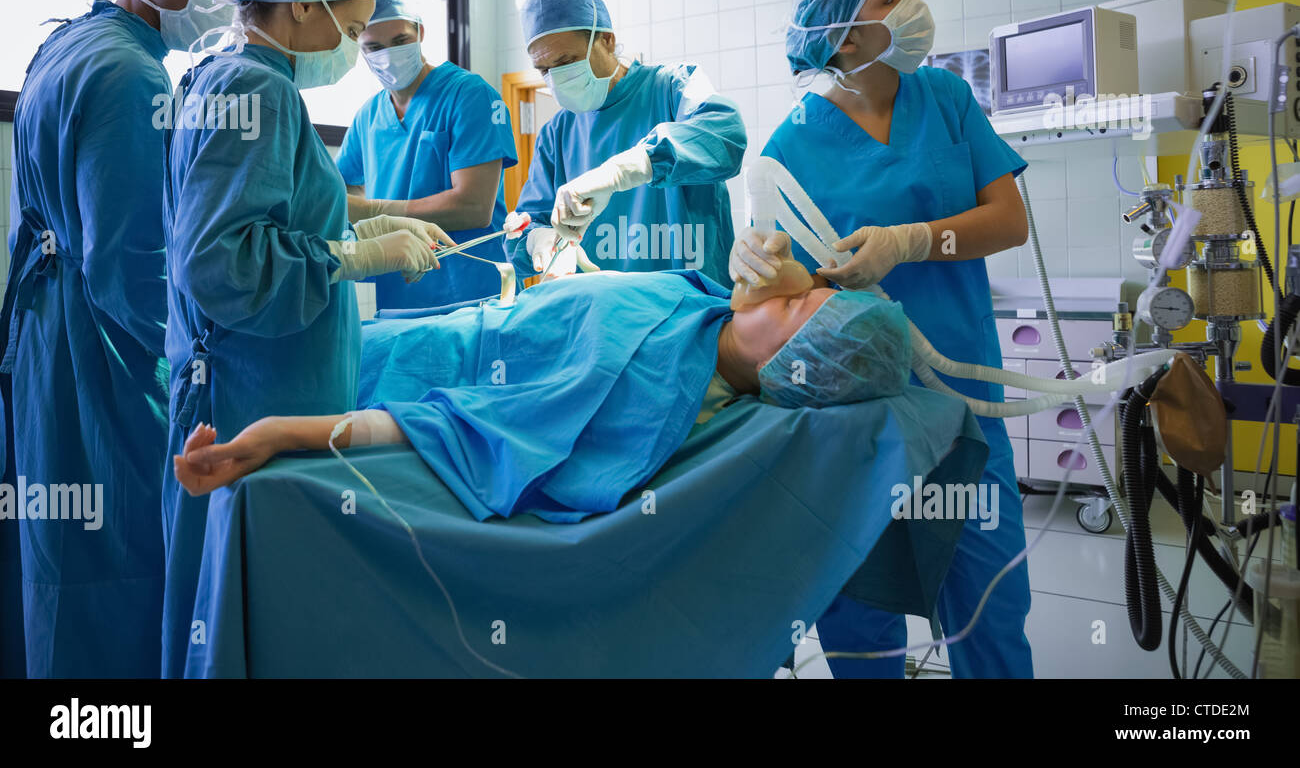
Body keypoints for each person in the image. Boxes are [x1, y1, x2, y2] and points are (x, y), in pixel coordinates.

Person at [731, 0, 1034, 678]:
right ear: (845, 39)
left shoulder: (946, 98)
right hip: (855, 413)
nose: (913, 5)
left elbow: (1008, 221)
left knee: (988, 595)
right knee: (858, 612)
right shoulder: (788, 149)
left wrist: (914, 241)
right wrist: (757, 268)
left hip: (964, 404)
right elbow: (791, 292)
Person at [160, 0, 451, 677]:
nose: (355, 48)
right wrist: (352, 256)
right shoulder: (259, 86)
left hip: (249, 374)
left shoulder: (220, 74)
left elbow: (270, 211)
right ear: (297, 10)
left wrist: (366, 223)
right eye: (350, 29)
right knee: (253, 605)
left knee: (234, 597)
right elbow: (219, 260)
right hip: (258, 383)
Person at [0, 0, 247, 678]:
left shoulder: (69, 42)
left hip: (46, 323)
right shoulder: (132, 75)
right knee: (116, 547)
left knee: (56, 544)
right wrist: (189, 363)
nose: (223, 10)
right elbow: (130, 261)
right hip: (92, 343)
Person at [171, 269, 912, 523]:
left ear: (790, 368)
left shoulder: (654, 397)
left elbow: (474, 428)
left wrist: (280, 433)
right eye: (808, 288)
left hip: (406, 363)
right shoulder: (705, 304)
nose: (786, 290)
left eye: (792, 309)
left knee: (186, 394)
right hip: (433, 322)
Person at [510, 0, 746, 285]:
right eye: (544, 70)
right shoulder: (556, 134)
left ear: (607, 40)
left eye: (567, 62)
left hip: (690, 309)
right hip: (597, 314)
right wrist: (537, 240)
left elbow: (725, 136)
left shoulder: (672, 86)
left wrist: (628, 168)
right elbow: (527, 224)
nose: (555, 79)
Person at [338, 0, 519, 309]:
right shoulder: (368, 115)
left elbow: (474, 207)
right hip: (396, 288)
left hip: (466, 289)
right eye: (374, 48)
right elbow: (342, 193)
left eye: (399, 40)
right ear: (359, 47)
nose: (389, 55)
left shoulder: (469, 95)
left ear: (419, 32)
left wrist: (375, 213)